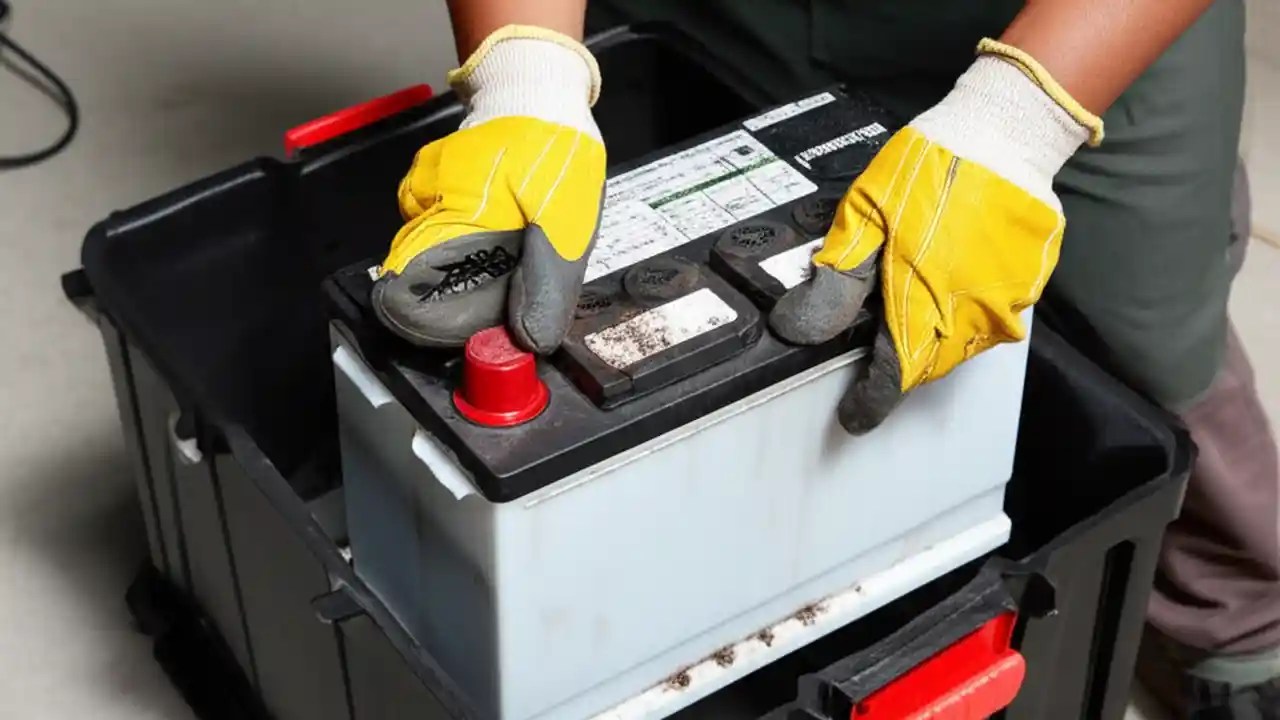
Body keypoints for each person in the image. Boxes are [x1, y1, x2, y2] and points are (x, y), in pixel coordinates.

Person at [371, 0, 1279, 716]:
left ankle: (1238, 623)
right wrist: (526, 76)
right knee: (628, 282)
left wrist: (1017, 122)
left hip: (1083, 34)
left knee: (1144, 341)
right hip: (727, 14)